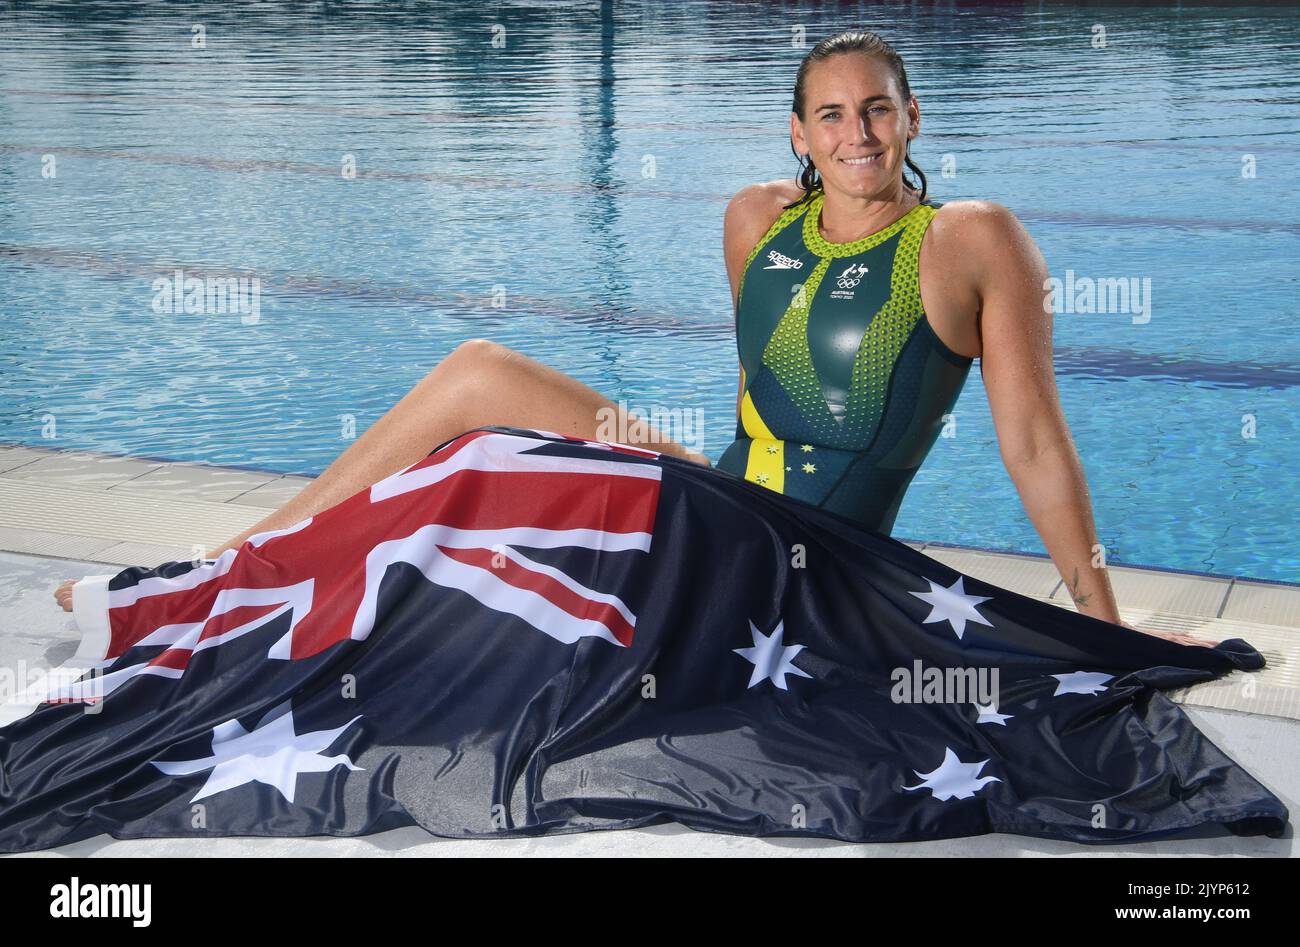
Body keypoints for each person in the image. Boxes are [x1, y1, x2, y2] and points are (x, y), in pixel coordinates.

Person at [53, 31, 1208, 647]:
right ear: (798, 133)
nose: (856, 132)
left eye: (876, 108)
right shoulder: (757, 217)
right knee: (478, 378)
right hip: (725, 497)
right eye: (831, 113)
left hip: (813, 556)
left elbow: (1036, 447)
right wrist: (636, 463)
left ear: (913, 117)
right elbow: (767, 394)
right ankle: (224, 574)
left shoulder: (968, 239)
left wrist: (1098, 618)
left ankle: (217, 590)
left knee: (491, 465)